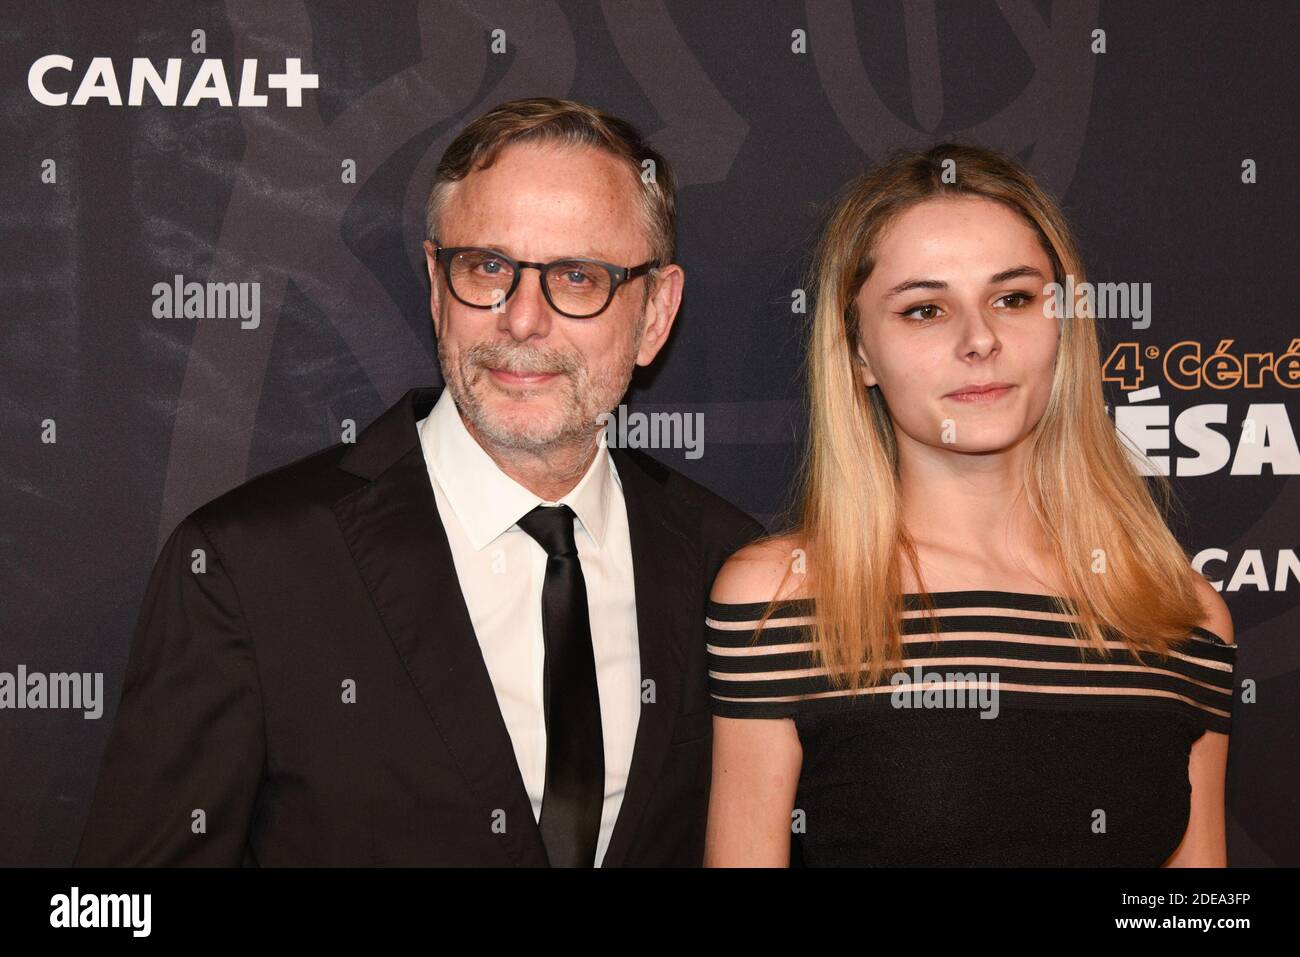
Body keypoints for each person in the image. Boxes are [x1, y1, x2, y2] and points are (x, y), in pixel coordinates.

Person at [75, 97, 764, 867]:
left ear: (656, 313)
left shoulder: (730, 566)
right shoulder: (246, 568)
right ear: (438, 290)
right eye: (488, 267)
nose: (522, 319)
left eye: (577, 277)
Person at [704, 142, 1237, 867]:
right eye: (925, 309)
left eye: (1013, 298)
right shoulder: (785, 601)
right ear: (857, 351)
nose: (979, 339)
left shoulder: (1180, 615)